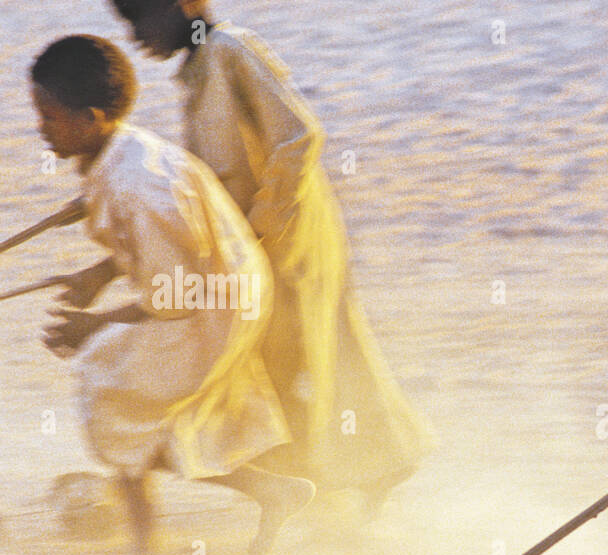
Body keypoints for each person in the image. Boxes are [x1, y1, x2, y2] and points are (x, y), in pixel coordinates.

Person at [109, 0, 430, 511]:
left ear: (178, 6)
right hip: (258, 242)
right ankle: (352, 477)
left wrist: (261, 228)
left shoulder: (228, 50)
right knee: (306, 357)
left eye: (138, 19)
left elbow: (300, 136)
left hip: (290, 235)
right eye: (124, 25)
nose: (133, 36)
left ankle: (344, 482)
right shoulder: (196, 70)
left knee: (310, 354)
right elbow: (214, 173)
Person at [33, 34, 315, 555]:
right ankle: (272, 493)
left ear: (91, 118)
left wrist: (93, 326)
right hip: (222, 288)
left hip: (216, 304)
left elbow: (176, 293)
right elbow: (167, 246)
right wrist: (97, 274)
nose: (41, 128)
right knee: (129, 403)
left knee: (111, 396)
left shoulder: (139, 185)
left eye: (48, 116)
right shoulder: (122, 151)